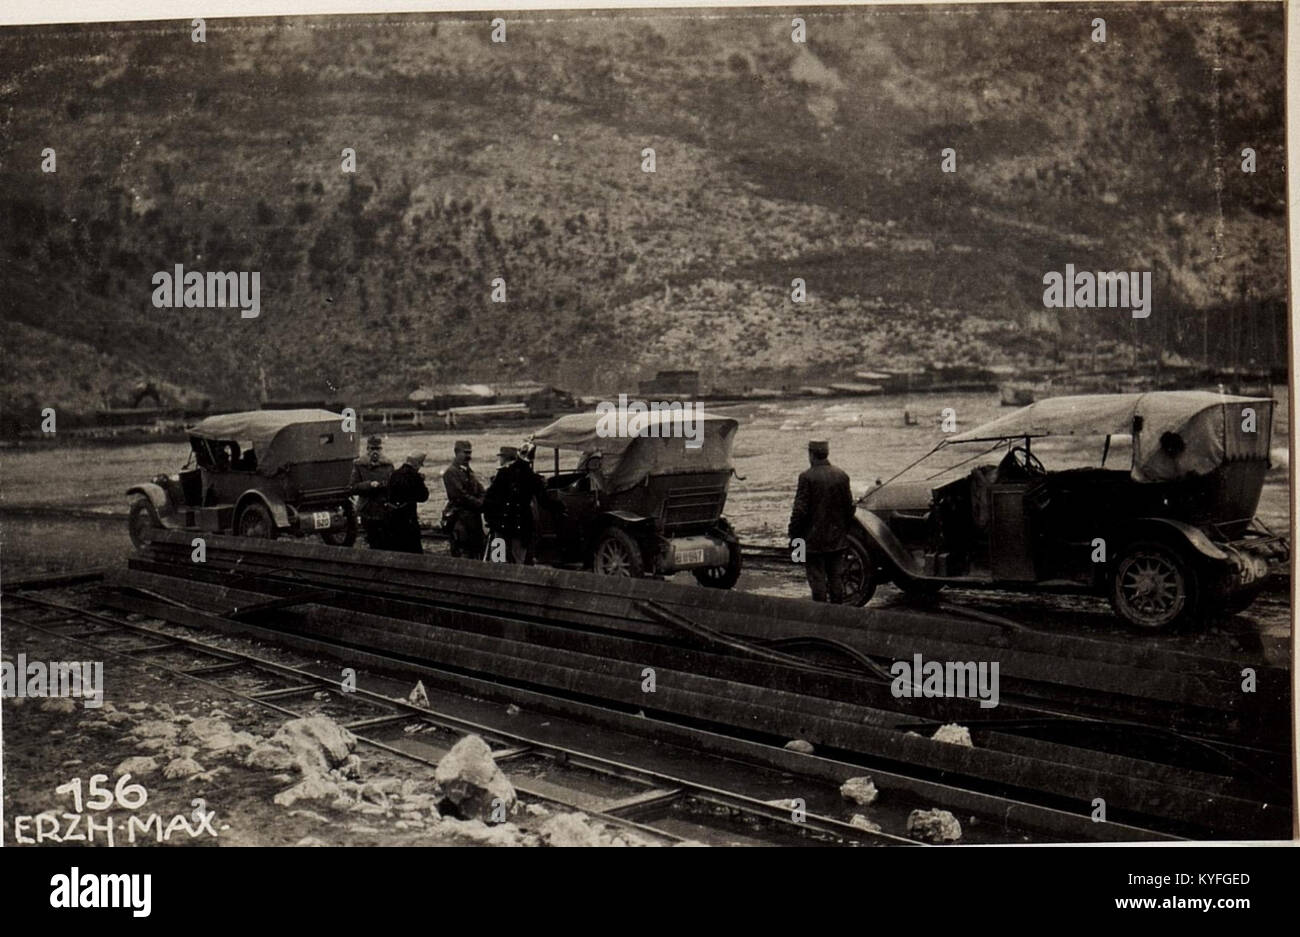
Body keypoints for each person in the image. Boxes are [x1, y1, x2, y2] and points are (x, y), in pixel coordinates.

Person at [788, 439, 856, 603]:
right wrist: (842, 531)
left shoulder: (806, 477)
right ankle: (837, 616)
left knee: (817, 581)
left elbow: (800, 511)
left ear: (811, 455)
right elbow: (850, 508)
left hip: (813, 542)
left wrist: (793, 534)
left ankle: (820, 617)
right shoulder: (842, 475)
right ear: (826, 453)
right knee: (836, 579)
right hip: (837, 540)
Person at [483, 445, 563, 564]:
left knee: (498, 560)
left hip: (501, 525)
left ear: (505, 458)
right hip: (521, 525)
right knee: (519, 560)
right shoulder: (531, 476)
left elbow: (489, 499)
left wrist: (489, 518)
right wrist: (560, 507)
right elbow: (544, 500)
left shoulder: (502, 474)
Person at [441, 440, 486, 559]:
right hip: (460, 519)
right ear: (456, 452)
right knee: (462, 551)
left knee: (477, 550)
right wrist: (480, 504)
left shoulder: (468, 471)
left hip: (473, 518)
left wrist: (482, 501)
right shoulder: (450, 472)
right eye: (465, 453)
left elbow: (480, 489)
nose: (468, 456)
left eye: (470, 453)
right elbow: (460, 496)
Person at [351, 435, 394, 549]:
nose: (375, 452)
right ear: (367, 449)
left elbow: (393, 485)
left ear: (381, 449)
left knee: (386, 541)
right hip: (367, 508)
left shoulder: (388, 465)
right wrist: (368, 485)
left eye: (377, 449)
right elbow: (353, 487)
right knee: (373, 539)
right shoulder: (359, 465)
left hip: (384, 508)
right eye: (372, 449)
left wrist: (384, 485)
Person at [386, 452, 430, 553]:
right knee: (414, 550)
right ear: (416, 464)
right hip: (408, 518)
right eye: (419, 465)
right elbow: (424, 496)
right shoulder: (415, 476)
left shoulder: (394, 474)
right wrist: (422, 481)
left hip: (392, 518)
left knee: (395, 549)